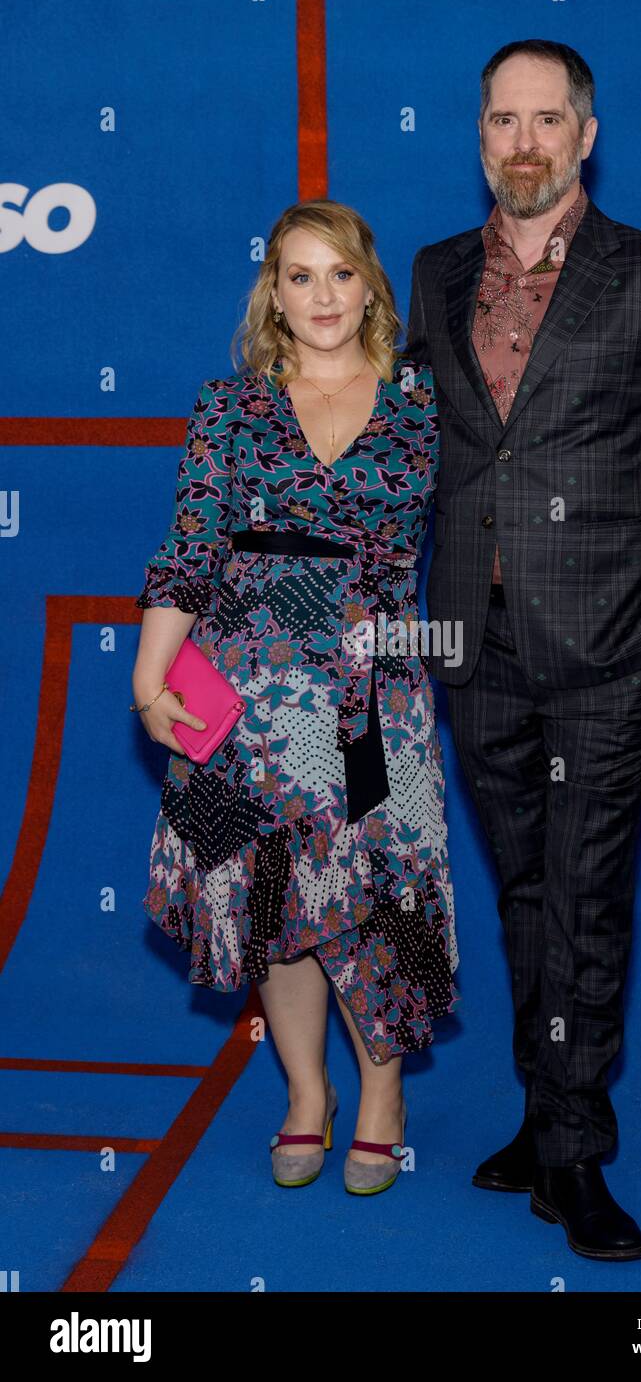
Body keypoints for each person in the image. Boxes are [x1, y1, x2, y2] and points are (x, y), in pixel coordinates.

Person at [404, 39, 641, 1258]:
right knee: (524, 891)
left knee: (583, 892)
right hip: (472, 641)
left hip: (608, 647)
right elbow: (416, 449)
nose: (525, 142)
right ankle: (543, 1116)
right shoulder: (436, 273)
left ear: (586, 135)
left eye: (548, 119)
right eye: (504, 119)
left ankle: (576, 1152)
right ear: (479, 135)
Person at [131, 199, 460, 1196]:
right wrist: (150, 678)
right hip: (253, 691)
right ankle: (307, 1093)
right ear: (273, 292)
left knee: (379, 891)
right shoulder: (228, 406)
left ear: (370, 288)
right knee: (273, 896)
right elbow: (190, 549)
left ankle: (382, 1096)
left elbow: (496, 514)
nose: (323, 295)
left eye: (341, 273)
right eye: (300, 275)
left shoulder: (422, 401)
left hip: (375, 689)